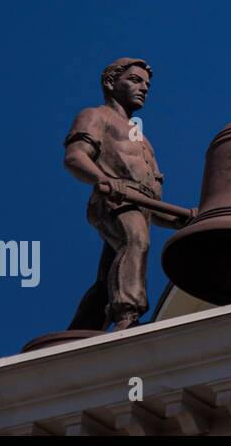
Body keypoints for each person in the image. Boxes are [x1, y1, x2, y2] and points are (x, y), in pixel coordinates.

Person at [63, 58, 180, 330]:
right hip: (115, 199)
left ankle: (82, 330)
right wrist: (103, 179)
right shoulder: (96, 115)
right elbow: (74, 157)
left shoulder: (140, 137)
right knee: (136, 241)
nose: (144, 88)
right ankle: (128, 314)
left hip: (141, 204)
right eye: (135, 80)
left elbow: (150, 199)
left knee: (108, 279)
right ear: (110, 83)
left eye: (147, 84)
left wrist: (181, 219)